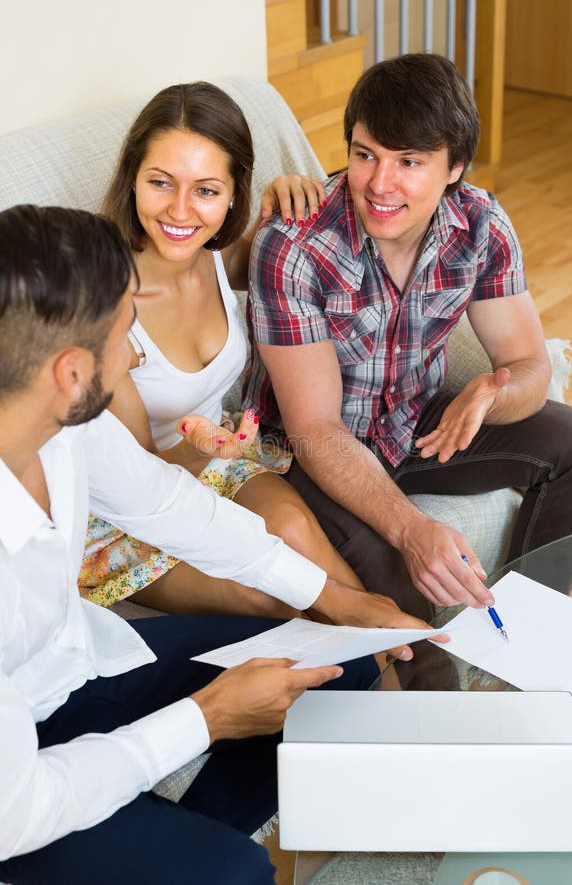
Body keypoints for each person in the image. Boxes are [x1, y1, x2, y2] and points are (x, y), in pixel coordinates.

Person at [0, 204, 445, 884]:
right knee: (237, 873)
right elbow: (19, 810)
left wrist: (337, 602)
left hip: (72, 673)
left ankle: (164, 846)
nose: (136, 356)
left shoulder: (58, 421)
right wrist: (206, 717)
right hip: (17, 791)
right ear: (69, 372)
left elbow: (168, 504)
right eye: (127, 337)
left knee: (334, 665)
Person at [244, 52, 572, 686]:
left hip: (412, 425)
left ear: (454, 169)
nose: (380, 184)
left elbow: (527, 365)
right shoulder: (294, 245)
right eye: (366, 155)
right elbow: (316, 428)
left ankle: (526, 645)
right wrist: (413, 529)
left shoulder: (480, 223)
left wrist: (494, 394)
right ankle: (442, 722)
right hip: (311, 454)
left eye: (410, 162)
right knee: (406, 617)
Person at [78, 80, 365, 617]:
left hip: (218, 463)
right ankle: (394, 671)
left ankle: (408, 664)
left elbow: (282, 256)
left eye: (206, 190)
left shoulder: (218, 253)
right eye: (161, 183)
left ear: (234, 192)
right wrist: (200, 448)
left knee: (299, 531)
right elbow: (143, 485)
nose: (181, 212)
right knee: (270, 596)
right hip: (128, 507)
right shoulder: (103, 303)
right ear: (132, 179)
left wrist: (285, 199)